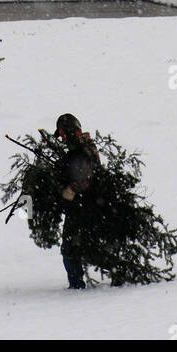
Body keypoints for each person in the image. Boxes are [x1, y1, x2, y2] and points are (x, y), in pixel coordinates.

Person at [54, 113, 101, 290]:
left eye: (64, 134)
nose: (63, 138)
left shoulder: (84, 149)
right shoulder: (76, 150)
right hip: (80, 207)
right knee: (72, 247)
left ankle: (76, 287)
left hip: (85, 207)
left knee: (71, 247)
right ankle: (75, 283)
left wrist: (71, 190)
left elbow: (88, 176)